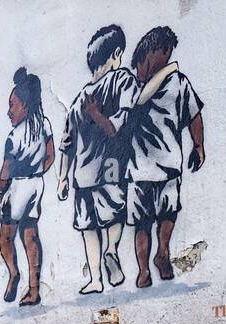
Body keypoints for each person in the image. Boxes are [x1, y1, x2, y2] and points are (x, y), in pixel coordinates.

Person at [84, 26, 205, 288]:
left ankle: (162, 253)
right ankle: (143, 270)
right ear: (150, 51)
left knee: (168, 214)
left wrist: (199, 146)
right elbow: (114, 126)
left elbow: (194, 114)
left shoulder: (178, 82)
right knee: (141, 223)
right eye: (164, 52)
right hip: (138, 170)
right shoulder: (130, 87)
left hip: (170, 164)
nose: (167, 57)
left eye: (169, 53)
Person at [58, 24, 138, 294]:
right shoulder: (123, 80)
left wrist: (61, 179)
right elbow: (117, 125)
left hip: (82, 173)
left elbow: (67, 145)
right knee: (114, 214)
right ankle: (112, 249)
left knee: (87, 227)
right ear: (116, 54)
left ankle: (95, 279)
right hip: (111, 165)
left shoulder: (79, 98)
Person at [0, 68, 54, 307]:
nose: (9, 111)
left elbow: (6, 169)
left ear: (25, 106)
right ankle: (34, 289)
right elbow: (50, 155)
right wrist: (39, 171)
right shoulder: (44, 124)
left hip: (18, 188)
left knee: (4, 238)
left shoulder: (14, 136)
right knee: (31, 237)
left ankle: (13, 272)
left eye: (12, 105)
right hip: (36, 185)